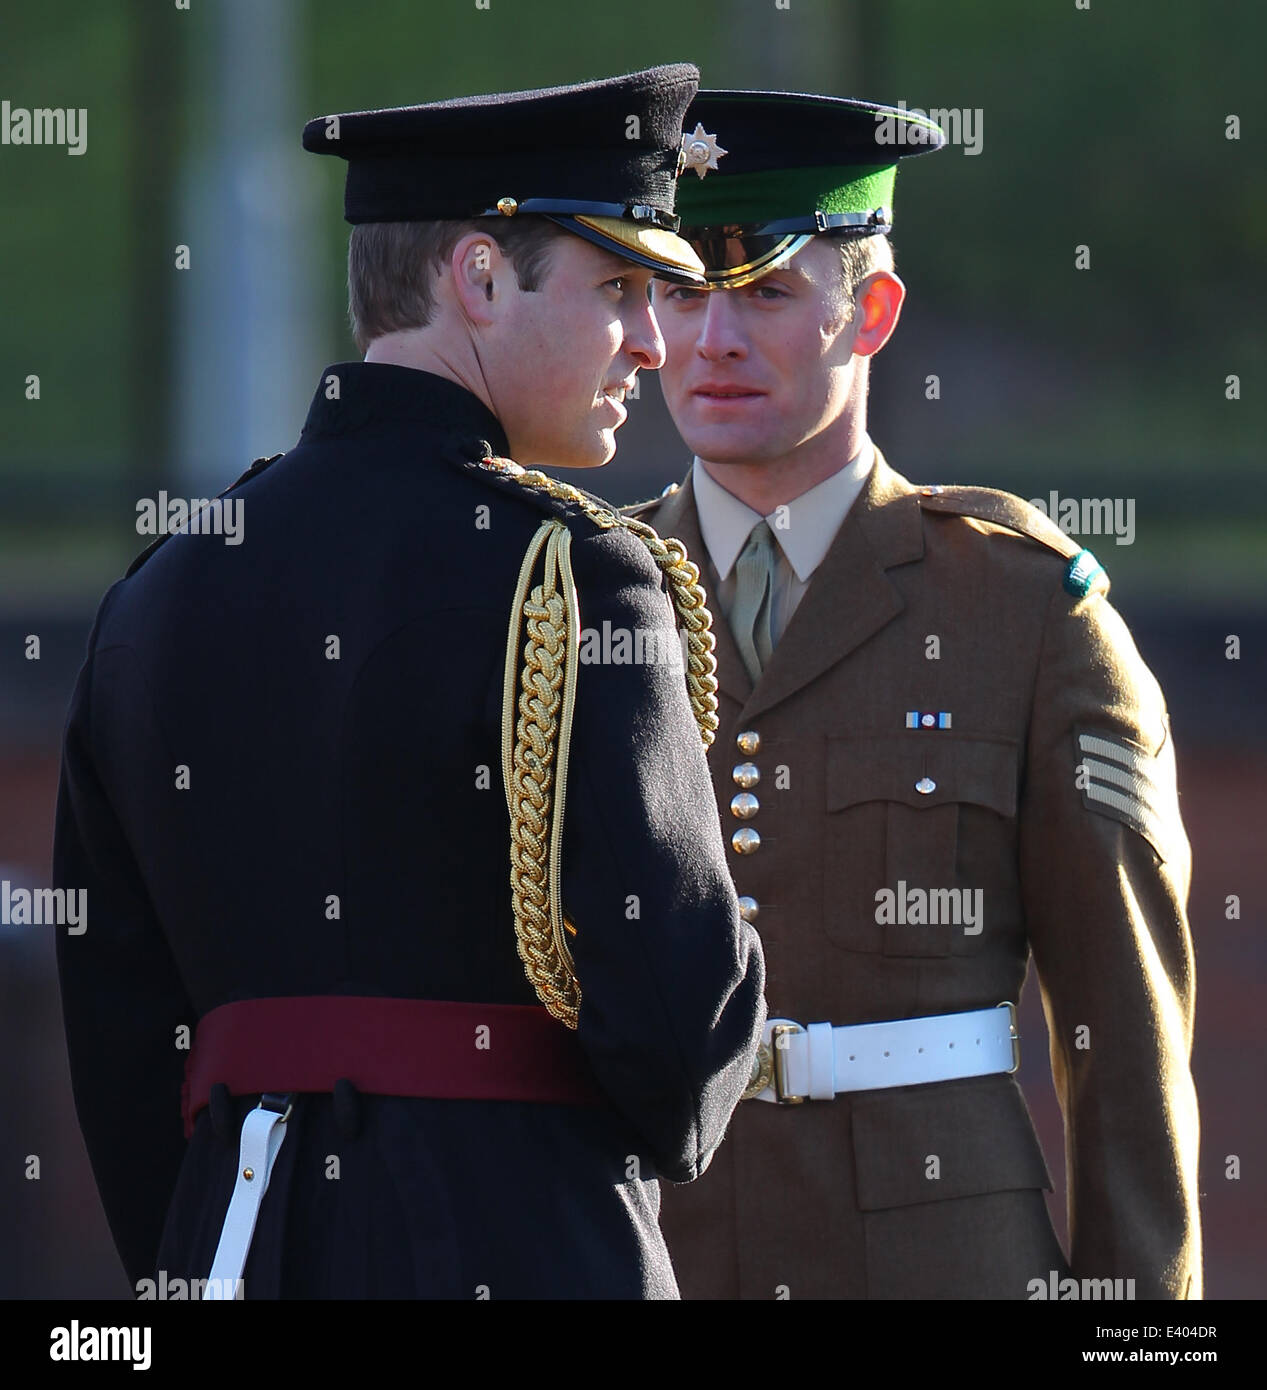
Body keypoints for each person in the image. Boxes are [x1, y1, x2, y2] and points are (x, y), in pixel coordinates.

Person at [53, 65, 765, 1301]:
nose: (655, 341)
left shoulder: (159, 591)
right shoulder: (581, 576)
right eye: (619, 288)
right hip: (524, 1245)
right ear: (480, 278)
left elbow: (119, 1028)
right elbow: (677, 1031)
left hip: (231, 1250)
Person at [627, 88, 1200, 1299]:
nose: (712, 342)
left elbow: (1122, 1035)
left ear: (870, 312)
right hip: (648, 1247)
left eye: (768, 294)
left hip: (937, 1252)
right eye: (680, 293)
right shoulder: (579, 599)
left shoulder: (1020, 608)